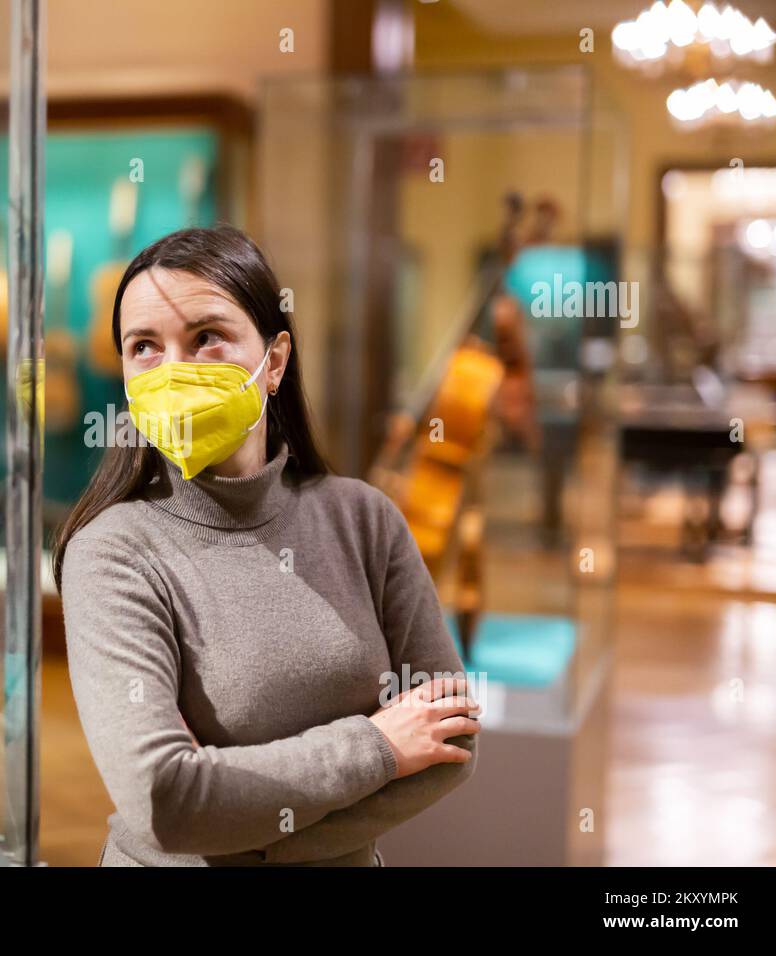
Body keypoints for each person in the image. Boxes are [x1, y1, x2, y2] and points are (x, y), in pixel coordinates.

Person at [53, 225, 479, 867]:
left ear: (273, 361)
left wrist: (231, 814)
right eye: (144, 347)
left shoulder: (364, 520)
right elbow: (164, 800)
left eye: (206, 338)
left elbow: (452, 743)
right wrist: (380, 747)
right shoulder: (111, 553)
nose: (174, 370)